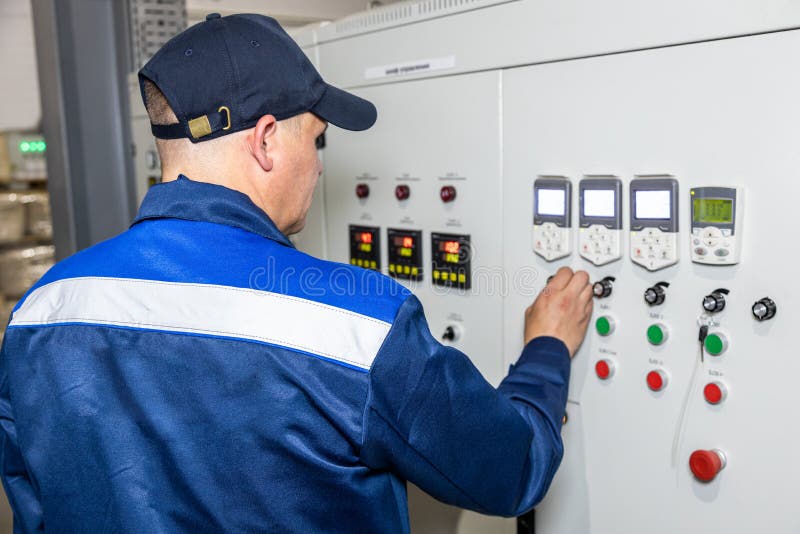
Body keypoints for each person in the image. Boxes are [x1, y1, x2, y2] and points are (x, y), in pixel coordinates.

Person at [0, 13, 593, 533]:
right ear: (265, 142)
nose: (316, 167)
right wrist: (546, 349)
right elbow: (508, 470)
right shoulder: (357, 324)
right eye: (317, 140)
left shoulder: (41, 309)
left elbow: (35, 501)